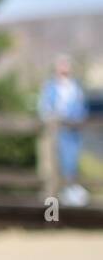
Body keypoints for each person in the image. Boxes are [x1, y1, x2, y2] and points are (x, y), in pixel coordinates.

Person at [38, 56, 89, 206]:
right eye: (61, 69)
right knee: (50, 168)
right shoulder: (50, 88)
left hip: (72, 133)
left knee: (70, 164)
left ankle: (69, 196)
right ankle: (50, 206)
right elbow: (44, 109)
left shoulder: (76, 88)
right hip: (54, 134)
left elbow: (82, 110)